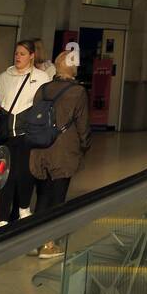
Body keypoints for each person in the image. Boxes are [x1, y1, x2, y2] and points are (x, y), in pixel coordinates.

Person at [28, 49, 91, 260]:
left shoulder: (43, 89)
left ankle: (33, 240)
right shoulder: (78, 92)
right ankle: (48, 244)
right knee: (57, 196)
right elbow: (83, 125)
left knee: (42, 195)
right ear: (72, 68)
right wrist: (85, 145)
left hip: (39, 148)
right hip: (63, 150)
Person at [0, 40, 51, 229]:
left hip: (27, 133)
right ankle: (3, 217)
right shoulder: (5, 76)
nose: (18, 57)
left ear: (31, 56)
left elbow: (46, 103)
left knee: (24, 172)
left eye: (22, 53)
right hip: (5, 134)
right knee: (3, 174)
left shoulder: (41, 77)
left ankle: (23, 209)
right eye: (16, 53)